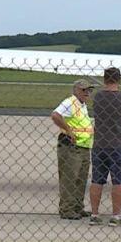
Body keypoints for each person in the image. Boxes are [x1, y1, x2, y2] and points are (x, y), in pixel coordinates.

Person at [88, 67, 121, 227]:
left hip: (100, 142)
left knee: (97, 179)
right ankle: (116, 215)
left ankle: (94, 214)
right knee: (119, 180)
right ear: (119, 79)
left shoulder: (98, 96)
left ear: (104, 79)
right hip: (119, 143)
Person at [50, 80, 95, 219]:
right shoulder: (70, 102)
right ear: (76, 90)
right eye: (83, 90)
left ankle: (77, 206)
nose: (87, 92)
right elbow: (55, 115)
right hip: (71, 147)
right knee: (69, 178)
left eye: (89, 90)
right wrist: (68, 130)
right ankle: (67, 209)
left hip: (84, 146)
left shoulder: (83, 105)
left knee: (80, 179)